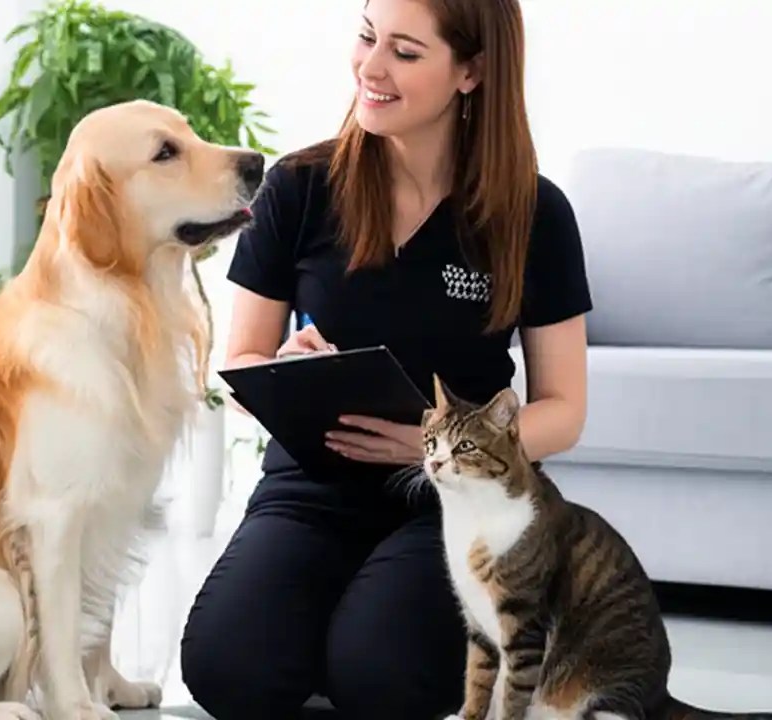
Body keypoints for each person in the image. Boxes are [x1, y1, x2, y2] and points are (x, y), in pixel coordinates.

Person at [178, 0, 591, 717]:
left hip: (459, 501)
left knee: (380, 678)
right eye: (367, 37)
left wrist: (426, 448)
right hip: (312, 490)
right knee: (226, 671)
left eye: (404, 52)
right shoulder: (299, 189)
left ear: (473, 71)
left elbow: (565, 410)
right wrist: (284, 365)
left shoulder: (535, 213)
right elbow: (241, 357)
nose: (370, 67)